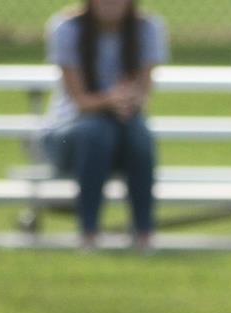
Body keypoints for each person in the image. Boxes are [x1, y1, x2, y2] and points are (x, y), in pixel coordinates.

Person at [42, 0, 168, 251]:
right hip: (70, 134)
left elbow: (143, 94)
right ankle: (88, 232)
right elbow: (79, 101)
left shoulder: (148, 28)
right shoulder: (67, 28)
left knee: (139, 135)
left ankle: (144, 232)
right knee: (96, 131)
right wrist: (110, 100)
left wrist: (126, 101)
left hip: (123, 129)